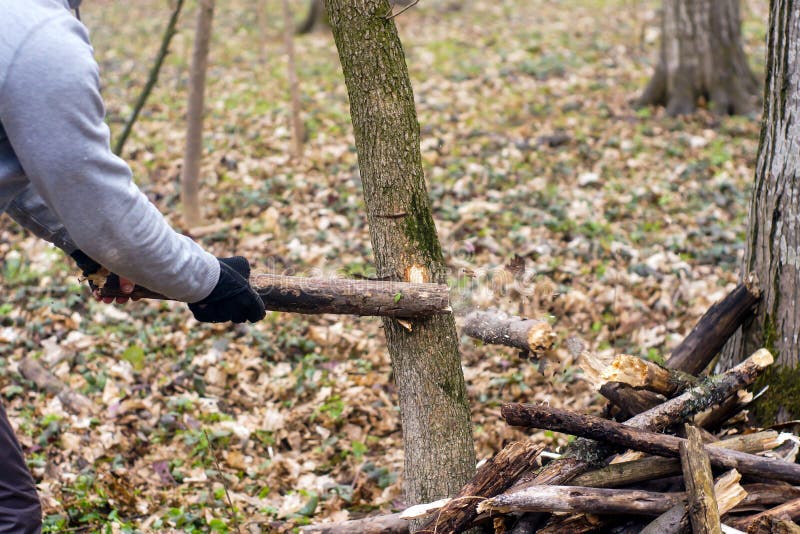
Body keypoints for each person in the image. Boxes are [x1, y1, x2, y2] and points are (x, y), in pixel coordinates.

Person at [0, 0, 267, 530]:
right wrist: (207, 282)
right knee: (10, 512)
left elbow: (18, 174)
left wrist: (82, 247)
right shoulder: (36, 36)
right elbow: (103, 207)